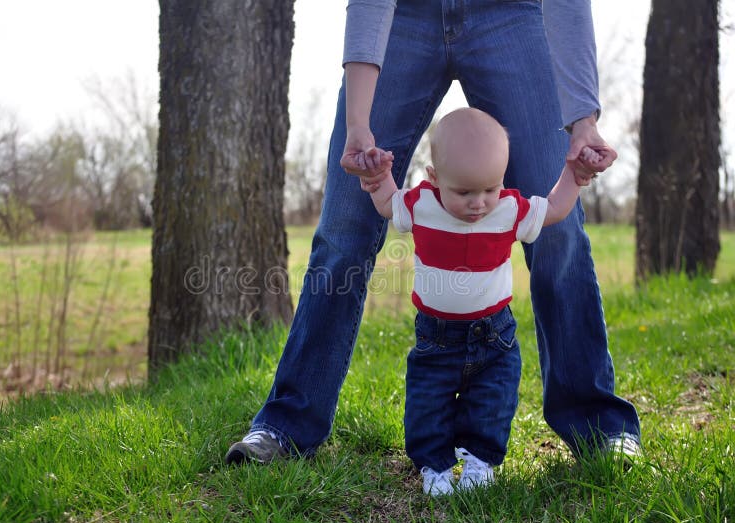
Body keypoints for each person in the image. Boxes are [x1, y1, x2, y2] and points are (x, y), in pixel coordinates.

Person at [225, 0, 641, 466]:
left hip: (511, 14)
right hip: (403, 16)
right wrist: (359, 124)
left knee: (559, 236)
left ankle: (598, 425)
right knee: (344, 228)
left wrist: (583, 122)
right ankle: (287, 425)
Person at [363, 107, 597, 496]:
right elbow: (389, 204)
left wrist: (574, 176)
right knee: (428, 400)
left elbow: (555, 209)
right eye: (465, 192)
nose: (479, 203)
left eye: (489, 188)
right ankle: (434, 466)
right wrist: (378, 177)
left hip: (495, 334)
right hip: (436, 336)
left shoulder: (507, 207)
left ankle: (479, 460)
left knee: (493, 397)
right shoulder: (422, 204)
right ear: (435, 179)